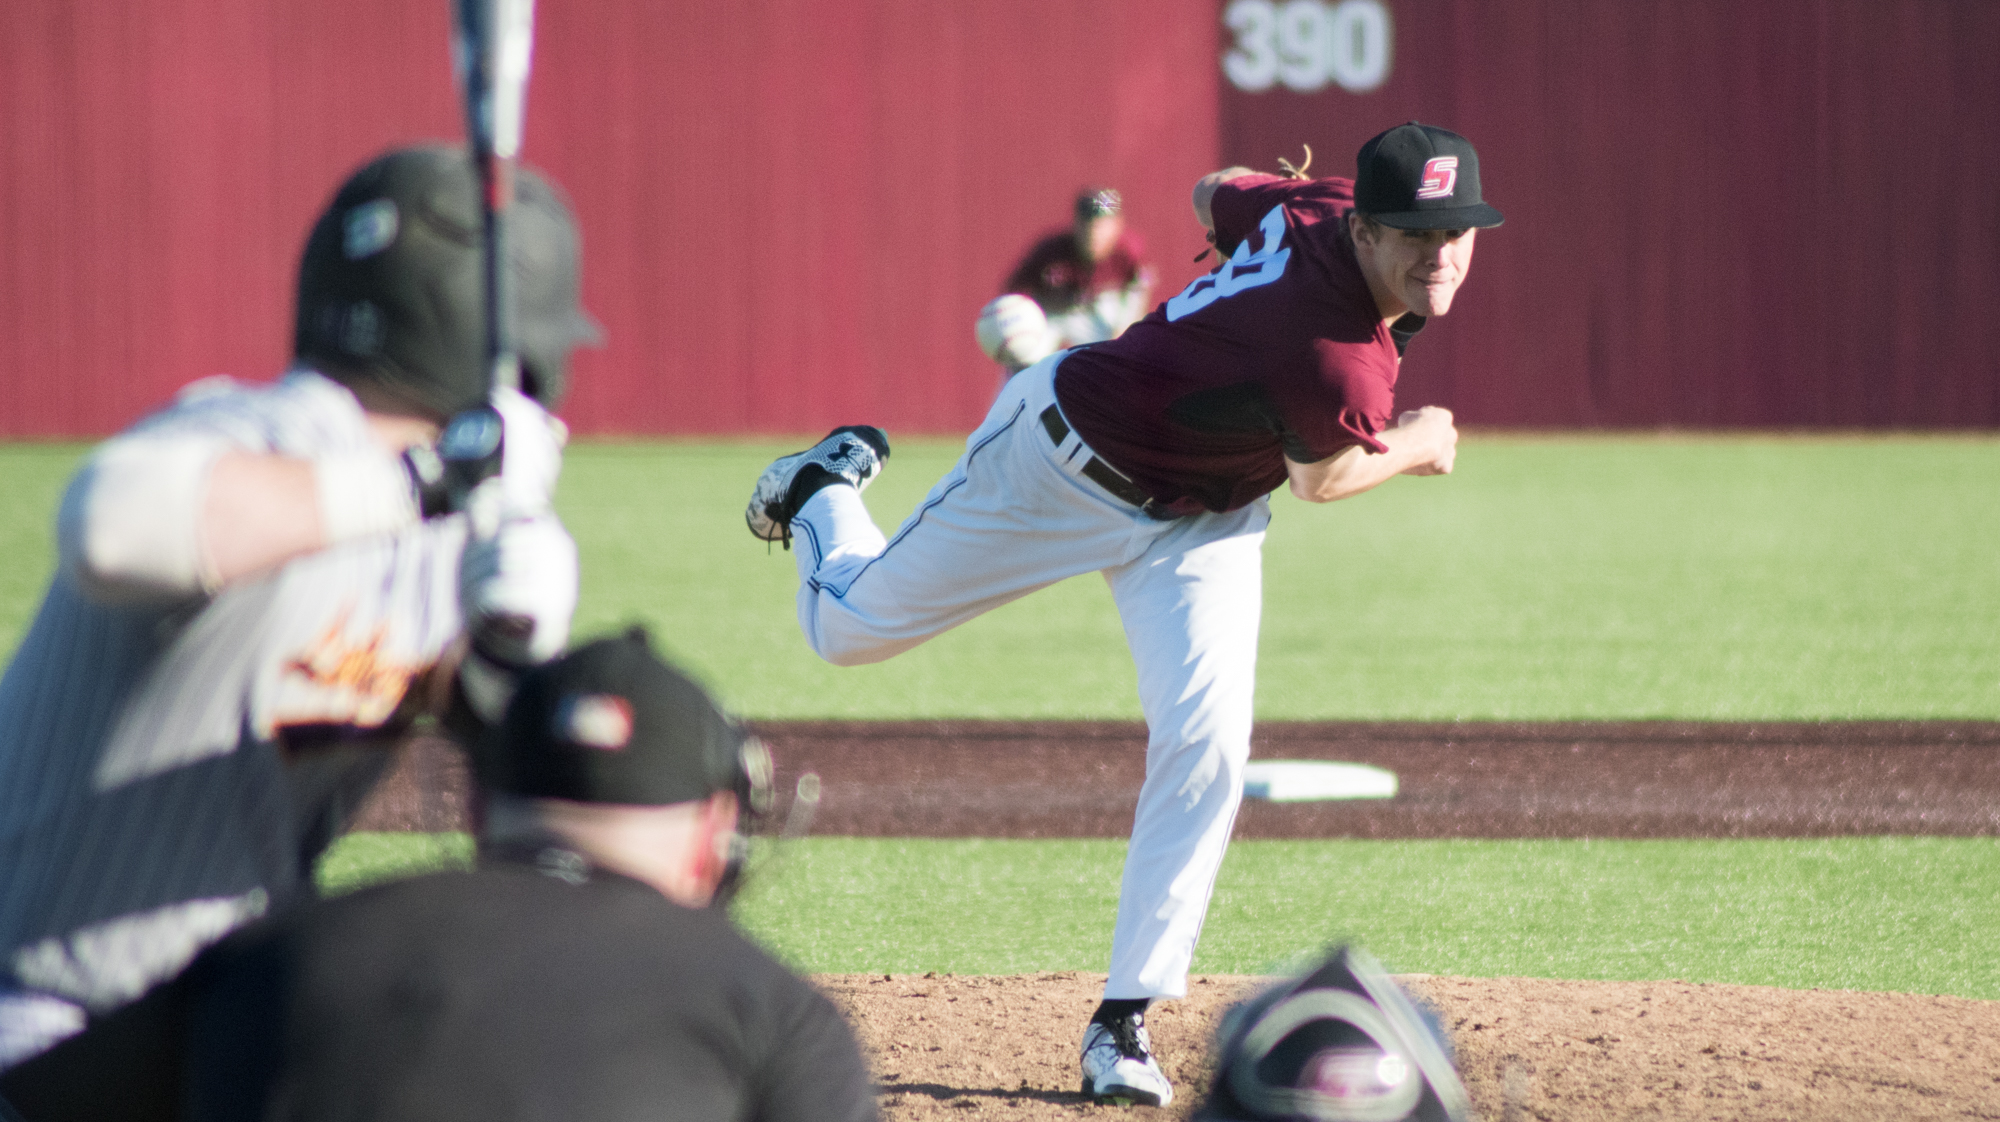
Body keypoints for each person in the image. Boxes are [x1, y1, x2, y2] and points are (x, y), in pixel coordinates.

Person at [742, 121, 1502, 1106]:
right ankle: (820, 489)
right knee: (846, 632)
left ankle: (1123, 1019)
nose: (1439, 254)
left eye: (1455, 231)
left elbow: (1209, 189)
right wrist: (1421, 440)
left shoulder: (1312, 207)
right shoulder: (1338, 354)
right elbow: (1322, 480)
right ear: (1361, 228)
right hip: (1058, 465)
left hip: (1203, 517)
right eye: (1414, 234)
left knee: (1207, 743)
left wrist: (1255, 222)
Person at [0, 144, 598, 1069]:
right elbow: (109, 529)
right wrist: (431, 477)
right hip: (36, 1030)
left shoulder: (461, 535)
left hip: (212, 1038)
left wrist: (514, 656)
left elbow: (519, 812)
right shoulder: (252, 433)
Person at [0, 632, 880, 1122]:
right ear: (715, 831)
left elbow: (40, 1094)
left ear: (479, 804)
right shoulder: (769, 1008)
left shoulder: (280, 953)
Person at [978, 187, 1157, 373]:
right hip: (1049, 315)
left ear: (1117, 224)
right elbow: (1014, 289)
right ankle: (1018, 386)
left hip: (1093, 314)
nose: (1094, 233)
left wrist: (1123, 327)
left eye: (1102, 225)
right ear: (1076, 224)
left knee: (1117, 353)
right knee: (1025, 357)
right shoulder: (1051, 251)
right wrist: (1036, 310)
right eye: (1088, 224)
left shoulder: (1127, 250)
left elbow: (1139, 289)